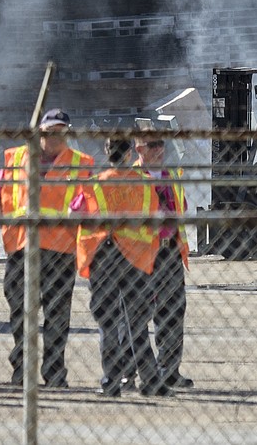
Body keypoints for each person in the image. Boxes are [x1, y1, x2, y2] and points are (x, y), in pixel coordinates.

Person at [0, 108, 94, 388]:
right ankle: (22, 370)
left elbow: (91, 206)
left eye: (60, 131)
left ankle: (54, 372)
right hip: (22, 246)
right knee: (20, 313)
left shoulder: (80, 163)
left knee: (57, 316)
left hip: (60, 249)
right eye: (49, 132)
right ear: (40, 131)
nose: (55, 137)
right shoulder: (16, 158)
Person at [73, 136, 171, 398]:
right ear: (130, 153)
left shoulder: (95, 185)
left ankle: (111, 382)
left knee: (108, 323)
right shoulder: (146, 184)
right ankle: (150, 381)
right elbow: (156, 220)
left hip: (104, 255)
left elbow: (76, 213)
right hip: (136, 258)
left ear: (107, 153)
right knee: (136, 324)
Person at [130, 132, 193, 389]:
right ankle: (135, 371)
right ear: (139, 149)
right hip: (143, 253)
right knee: (138, 314)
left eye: (161, 144)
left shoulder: (171, 175)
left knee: (173, 312)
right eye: (152, 145)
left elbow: (183, 207)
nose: (159, 150)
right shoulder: (131, 178)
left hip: (170, 252)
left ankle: (169, 369)